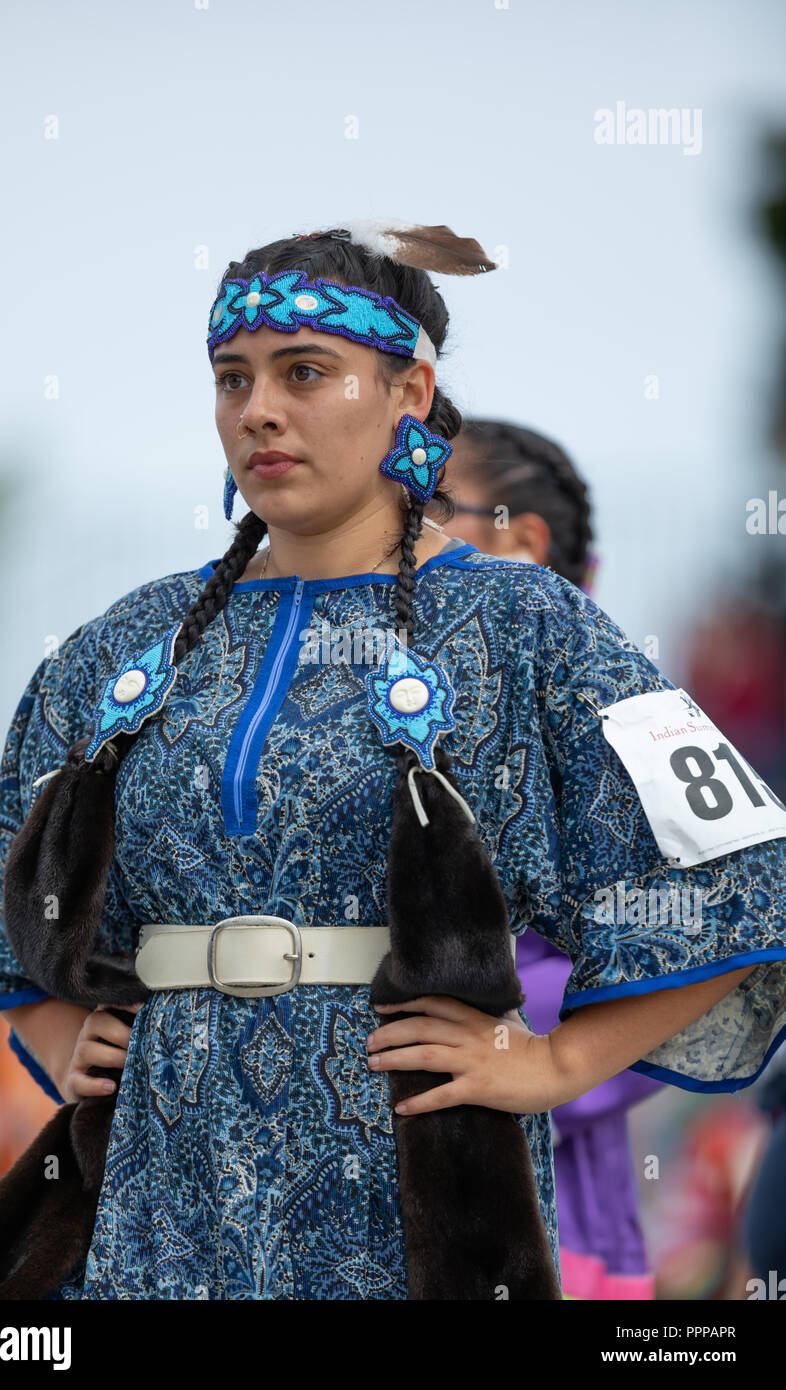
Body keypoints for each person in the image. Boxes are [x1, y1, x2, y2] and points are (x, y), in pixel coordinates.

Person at [0, 222, 786, 1301]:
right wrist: (57, 1033)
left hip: (414, 1184)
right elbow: (2, 903)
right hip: (156, 1194)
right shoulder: (124, 646)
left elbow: (740, 872)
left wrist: (555, 1065)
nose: (258, 411)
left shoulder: (523, 624)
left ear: (408, 391)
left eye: (304, 373)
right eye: (232, 378)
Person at [443, 420, 664, 1299]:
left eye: (428, 509)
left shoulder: (610, 726)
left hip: (549, 1216)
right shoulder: (400, 707)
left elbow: (723, 934)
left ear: (519, 542)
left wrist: (542, 1061)